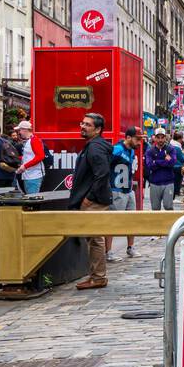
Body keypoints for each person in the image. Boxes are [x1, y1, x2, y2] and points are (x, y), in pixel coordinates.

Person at [70, 112, 112, 290]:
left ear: (98, 129)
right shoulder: (94, 145)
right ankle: (96, 276)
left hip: (94, 200)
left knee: (95, 238)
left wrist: (89, 198)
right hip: (93, 198)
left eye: (88, 124)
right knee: (94, 238)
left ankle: (98, 277)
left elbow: (102, 174)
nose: (83, 126)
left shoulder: (95, 147)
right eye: (82, 123)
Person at [107, 127, 140, 260]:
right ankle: (108, 251)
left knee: (131, 220)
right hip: (117, 190)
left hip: (128, 189)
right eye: (137, 139)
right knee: (113, 222)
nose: (139, 142)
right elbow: (106, 165)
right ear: (128, 138)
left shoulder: (131, 151)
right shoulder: (117, 149)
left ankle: (130, 247)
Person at [144, 128, 176, 210]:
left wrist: (156, 161)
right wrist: (164, 161)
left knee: (168, 207)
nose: (160, 140)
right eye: (158, 137)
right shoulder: (150, 151)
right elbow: (150, 165)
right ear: (154, 138)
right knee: (155, 209)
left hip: (168, 182)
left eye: (162, 137)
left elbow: (172, 163)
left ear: (165, 137)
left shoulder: (171, 149)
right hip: (154, 183)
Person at [14, 120, 46, 194]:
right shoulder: (31, 140)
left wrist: (24, 166)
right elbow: (30, 157)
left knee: (32, 200)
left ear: (25, 130)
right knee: (31, 199)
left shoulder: (34, 140)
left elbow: (40, 156)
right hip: (30, 175)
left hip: (33, 175)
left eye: (20, 130)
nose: (19, 132)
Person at [170, 130, 184, 204]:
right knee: (176, 183)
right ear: (179, 139)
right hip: (177, 167)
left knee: (172, 182)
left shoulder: (170, 144)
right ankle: (172, 198)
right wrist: (183, 153)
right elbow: (182, 158)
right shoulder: (177, 147)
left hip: (171, 167)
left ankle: (172, 198)